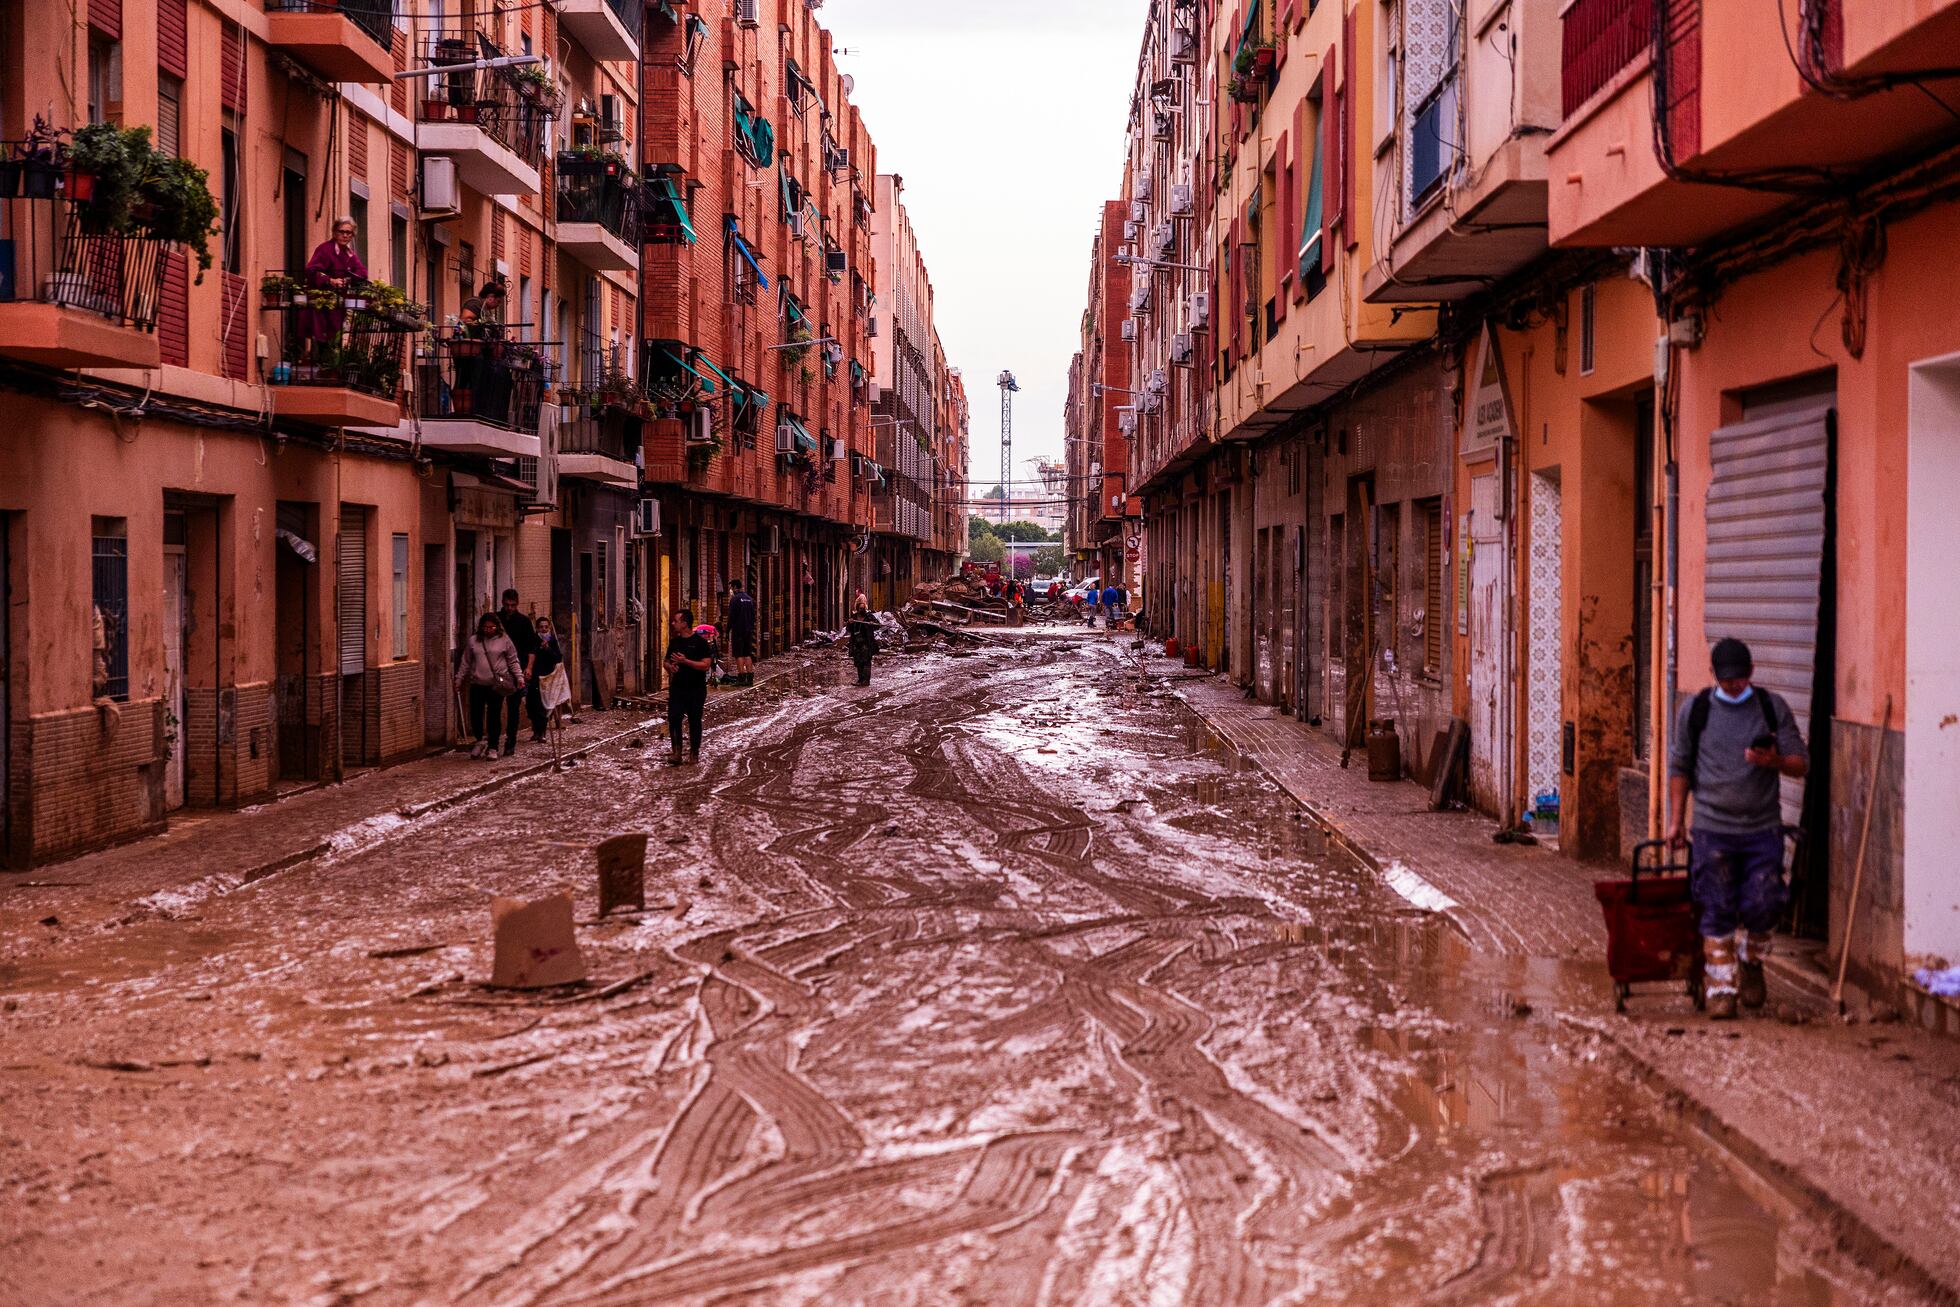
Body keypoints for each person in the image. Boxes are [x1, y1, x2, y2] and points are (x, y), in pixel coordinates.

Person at [1666, 637, 1809, 1020]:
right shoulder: (1695, 711)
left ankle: (1752, 961)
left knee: (1764, 903)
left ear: (1752, 674)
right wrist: (1676, 821)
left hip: (1763, 829)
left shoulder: (1770, 707)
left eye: (1741, 679)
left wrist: (1774, 761)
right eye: (1728, 680)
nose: (1734, 686)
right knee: (1716, 906)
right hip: (1713, 830)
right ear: (1714, 675)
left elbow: (1801, 764)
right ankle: (1722, 988)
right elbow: (1679, 767)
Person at [455, 612, 524, 760]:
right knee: (476, 714)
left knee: (494, 714)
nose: (488, 630)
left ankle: (493, 746)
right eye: (485, 627)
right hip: (477, 683)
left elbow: (513, 660)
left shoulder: (504, 640)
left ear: (497, 627)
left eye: (491, 627)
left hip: (495, 685)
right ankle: (480, 740)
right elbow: (466, 661)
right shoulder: (474, 641)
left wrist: (519, 677)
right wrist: (459, 678)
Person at [299, 217, 366, 350]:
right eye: (342, 232)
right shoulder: (325, 249)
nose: (345, 235)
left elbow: (362, 272)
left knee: (335, 338)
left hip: (337, 305)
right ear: (335, 232)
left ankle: (330, 368)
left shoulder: (349, 253)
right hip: (321, 302)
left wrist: (348, 279)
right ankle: (322, 365)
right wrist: (330, 280)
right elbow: (311, 270)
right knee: (322, 338)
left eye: (349, 233)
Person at [663, 608, 714, 765]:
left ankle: (694, 753)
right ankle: (677, 752)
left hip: (696, 688)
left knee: (694, 720)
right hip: (678, 687)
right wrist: (670, 667)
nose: (673, 624)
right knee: (674, 718)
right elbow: (666, 661)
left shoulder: (700, 643)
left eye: (676, 621)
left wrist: (687, 662)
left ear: (685, 623)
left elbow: (706, 665)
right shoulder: (675, 642)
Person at [498, 588, 545, 742]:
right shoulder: (497, 620)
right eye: (507, 605)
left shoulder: (524, 622)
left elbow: (532, 647)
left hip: (522, 668)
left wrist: (529, 668)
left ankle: (535, 730)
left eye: (512, 605)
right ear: (502, 603)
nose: (509, 608)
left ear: (517, 604)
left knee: (525, 702)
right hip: (499, 669)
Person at [529, 614, 566, 740]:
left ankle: (542, 732)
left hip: (548, 677)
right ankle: (535, 730)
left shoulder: (552, 641)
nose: (543, 629)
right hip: (534, 677)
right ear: (537, 628)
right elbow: (531, 655)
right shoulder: (534, 640)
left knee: (544, 705)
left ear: (549, 627)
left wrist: (548, 649)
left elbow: (557, 658)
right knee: (533, 705)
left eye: (546, 627)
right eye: (541, 627)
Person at [726, 577, 757, 686]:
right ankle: (750, 678)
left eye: (731, 587)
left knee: (738, 654)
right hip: (748, 631)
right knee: (747, 653)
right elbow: (753, 616)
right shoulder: (749, 599)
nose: (731, 590)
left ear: (734, 587)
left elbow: (731, 617)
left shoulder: (734, 599)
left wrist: (727, 631)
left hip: (738, 631)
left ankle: (741, 677)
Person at [846, 597, 879, 687]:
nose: (862, 610)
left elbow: (878, 625)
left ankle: (866, 681)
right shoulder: (854, 617)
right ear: (857, 609)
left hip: (866, 643)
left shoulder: (869, 617)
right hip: (856, 643)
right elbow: (848, 629)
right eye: (860, 608)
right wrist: (850, 623)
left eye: (863, 608)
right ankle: (860, 680)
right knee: (858, 662)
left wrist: (873, 623)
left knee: (866, 662)